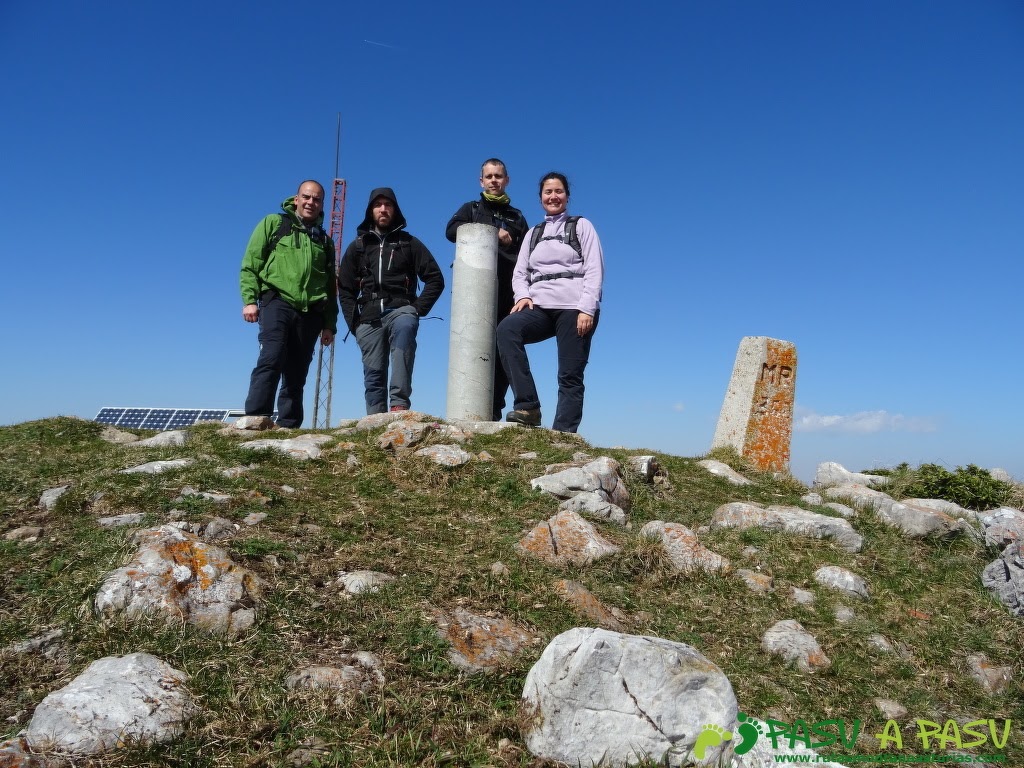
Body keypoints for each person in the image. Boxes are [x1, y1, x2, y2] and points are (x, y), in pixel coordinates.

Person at [496, 172, 604, 432]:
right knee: (507, 329)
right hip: (540, 307)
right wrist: (522, 295)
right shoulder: (534, 233)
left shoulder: (581, 226)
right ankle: (528, 406)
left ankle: (564, 434)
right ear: (540, 198)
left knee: (569, 374)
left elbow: (594, 268)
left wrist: (587, 308)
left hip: (574, 307)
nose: (553, 196)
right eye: (548, 192)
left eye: (558, 191)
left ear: (567, 196)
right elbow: (520, 272)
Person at [240, 180, 338, 428]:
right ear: (296, 199)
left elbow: (329, 287)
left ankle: (289, 425)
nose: (310, 202)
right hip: (277, 301)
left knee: (297, 373)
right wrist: (250, 300)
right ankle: (256, 418)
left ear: (321, 204)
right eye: (306, 197)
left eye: (316, 199)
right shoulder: (274, 223)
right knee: (272, 356)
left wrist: (329, 324)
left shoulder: (325, 242)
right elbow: (251, 262)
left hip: (311, 312)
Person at [339, 187, 444, 414]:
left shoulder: (409, 243)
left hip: (401, 309)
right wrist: (354, 324)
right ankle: (375, 418)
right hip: (368, 316)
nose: (383, 209)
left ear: (395, 210)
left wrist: (416, 309)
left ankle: (398, 404)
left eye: (388, 205)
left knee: (404, 335)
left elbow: (435, 278)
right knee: (373, 373)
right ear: (370, 211)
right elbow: (345, 288)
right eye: (378, 205)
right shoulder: (357, 247)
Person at [445, 158, 529, 420]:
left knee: (503, 350)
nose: (494, 180)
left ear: (507, 180)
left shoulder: (517, 217)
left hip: (509, 292)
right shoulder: (471, 208)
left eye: (499, 176)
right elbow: (450, 231)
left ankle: (492, 410)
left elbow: (529, 253)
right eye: (489, 176)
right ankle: (469, 410)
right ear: (481, 181)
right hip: (476, 293)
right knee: (474, 346)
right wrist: (495, 231)